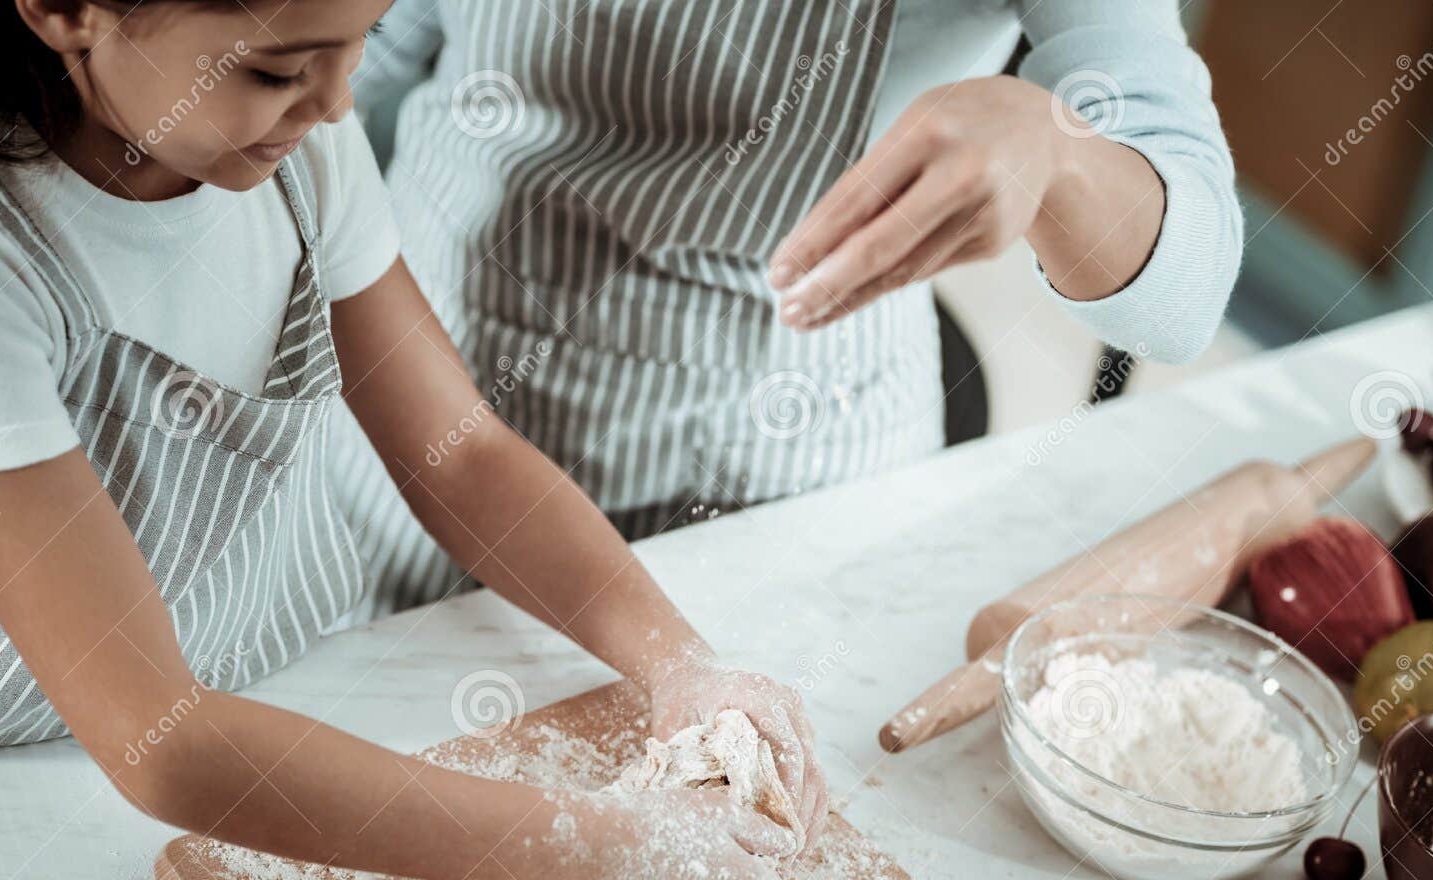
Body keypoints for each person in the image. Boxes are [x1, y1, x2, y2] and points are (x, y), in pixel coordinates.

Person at [0, 0, 826, 880]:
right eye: (275, 70)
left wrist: (682, 667)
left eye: (368, 45)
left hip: (287, 715)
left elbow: (460, 453)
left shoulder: (295, 156)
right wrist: (595, 853)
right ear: (63, 11)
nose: (335, 101)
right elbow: (163, 741)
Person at [343, 0, 1242, 605]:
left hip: (764, 486)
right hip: (400, 393)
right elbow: (367, 37)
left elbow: (1185, 299)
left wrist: (1061, 152)